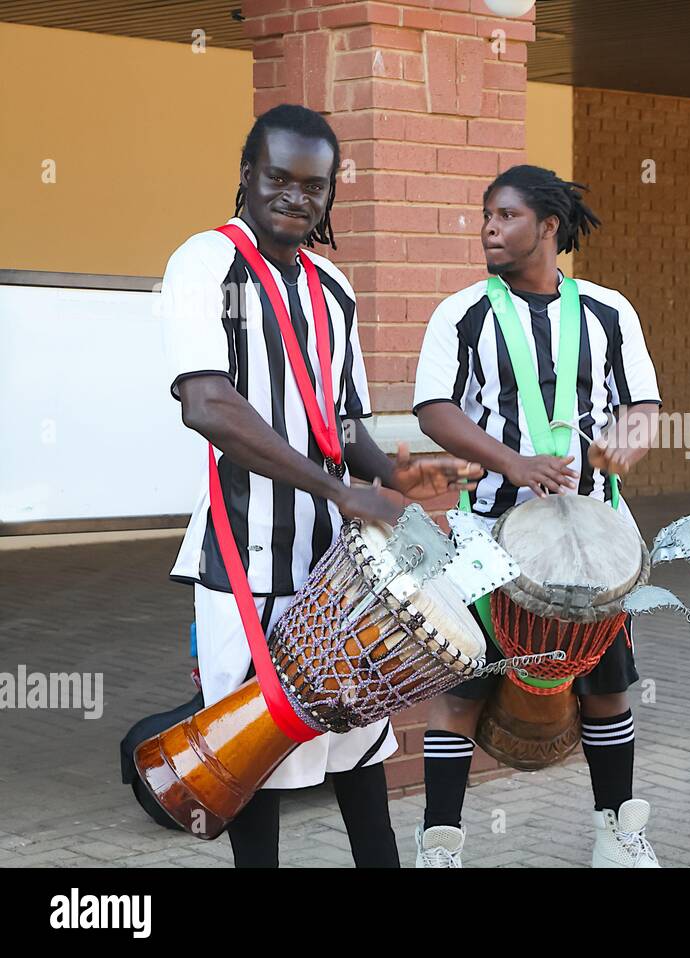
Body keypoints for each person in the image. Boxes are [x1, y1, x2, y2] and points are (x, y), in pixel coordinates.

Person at [161, 104, 477, 867]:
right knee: (255, 764)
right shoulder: (205, 263)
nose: (296, 197)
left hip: (338, 568)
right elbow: (209, 405)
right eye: (279, 178)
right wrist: (344, 494)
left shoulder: (334, 287)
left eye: (315, 185)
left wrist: (390, 470)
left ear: (332, 193)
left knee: (359, 756)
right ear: (247, 175)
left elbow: (338, 421)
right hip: (245, 561)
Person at [411, 165, 663, 868]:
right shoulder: (462, 312)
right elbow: (434, 409)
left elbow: (643, 406)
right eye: (487, 216)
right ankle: (442, 845)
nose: (490, 229)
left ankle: (617, 834)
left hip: (593, 541)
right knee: (460, 691)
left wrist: (629, 444)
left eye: (506, 216)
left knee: (608, 692)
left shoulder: (611, 309)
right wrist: (513, 464)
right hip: (486, 537)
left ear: (549, 226)